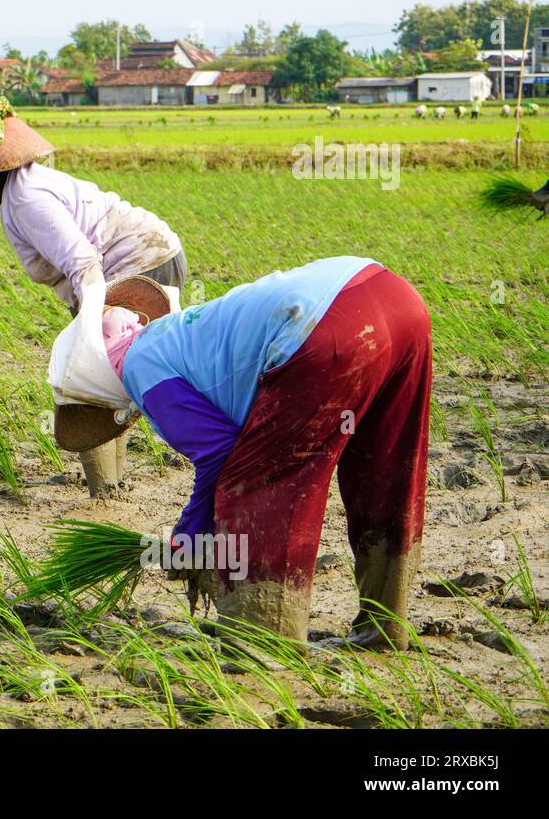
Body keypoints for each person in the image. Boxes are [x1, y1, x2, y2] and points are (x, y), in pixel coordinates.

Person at [58, 256, 432, 648]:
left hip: (329, 329)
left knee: (257, 480)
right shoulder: (173, 335)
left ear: (95, 386)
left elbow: (221, 454)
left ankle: (262, 642)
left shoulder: (137, 365)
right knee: (385, 466)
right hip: (395, 300)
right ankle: (384, 627)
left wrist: (188, 537)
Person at [0, 89, 186, 497]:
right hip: (136, 261)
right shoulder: (18, 190)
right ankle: (111, 485)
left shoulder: (26, 199)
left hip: (137, 266)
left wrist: (88, 332)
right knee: (111, 382)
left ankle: (104, 494)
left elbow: (83, 263)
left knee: (86, 384)